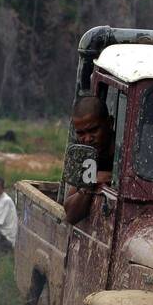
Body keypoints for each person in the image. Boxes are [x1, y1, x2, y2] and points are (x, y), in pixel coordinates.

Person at [63, 94, 115, 225]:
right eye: (81, 133)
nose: (87, 139)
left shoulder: (126, 151)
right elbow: (70, 214)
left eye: (93, 130)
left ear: (109, 123)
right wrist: (91, 184)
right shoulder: (85, 156)